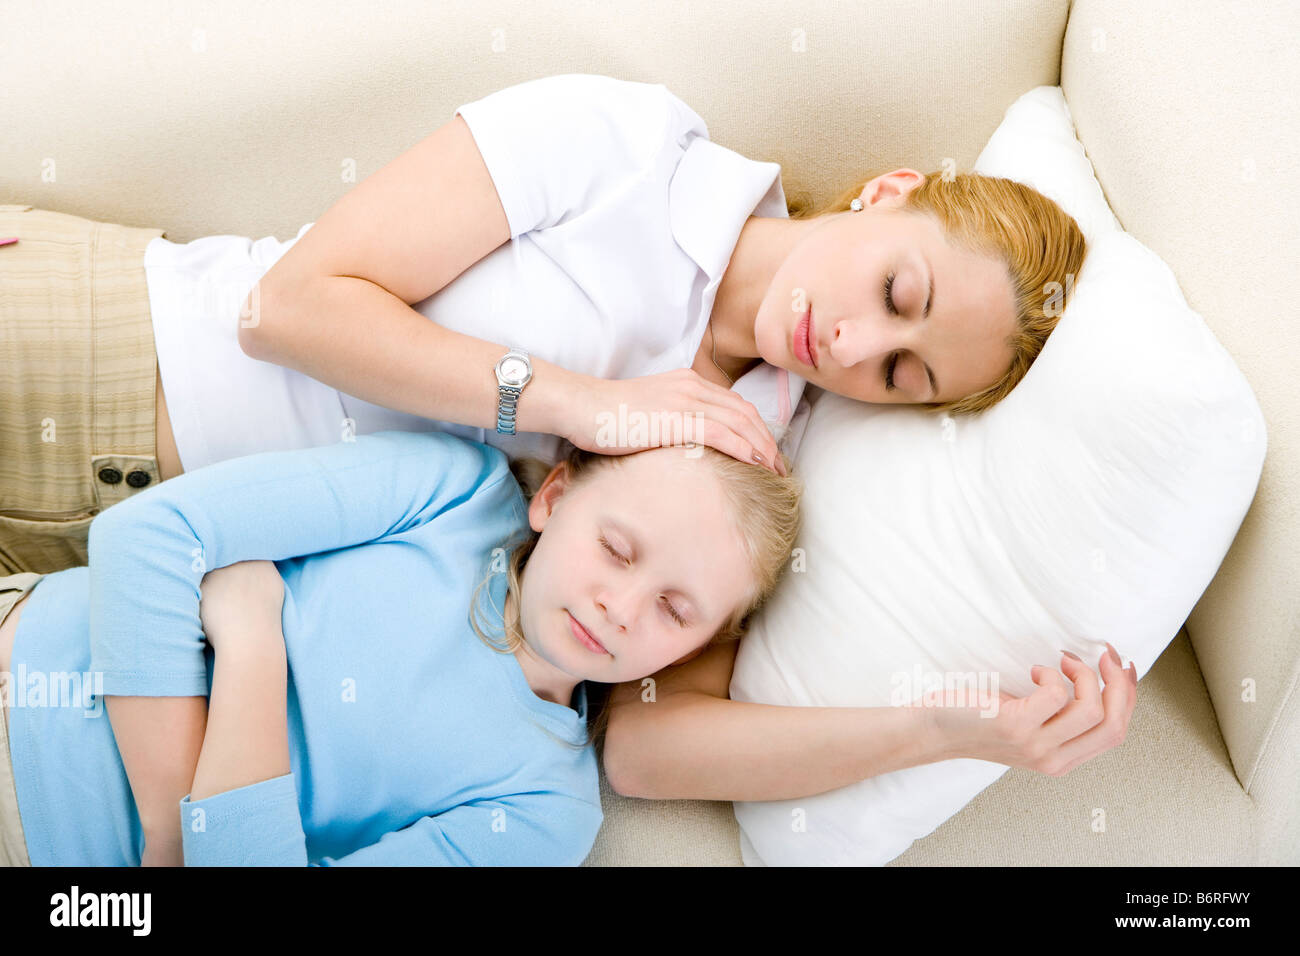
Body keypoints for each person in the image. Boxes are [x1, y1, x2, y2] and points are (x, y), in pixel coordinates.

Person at [1, 71, 1121, 825]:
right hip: (97, 354)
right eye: (895, 289)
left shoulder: (746, 451)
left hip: (165, 587)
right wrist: (582, 406)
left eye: (899, 371)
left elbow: (642, 747)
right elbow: (287, 308)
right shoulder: (631, 151)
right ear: (890, 193)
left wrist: (947, 726)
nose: (855, 340)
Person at [0, 429, 802, 866]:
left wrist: (252, 651)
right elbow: (144, 536)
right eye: (617, 550)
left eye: (674, 608)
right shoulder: (454, 492)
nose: (620, 609)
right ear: (554, 498)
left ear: (697, 645)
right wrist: (173, 838)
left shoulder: (545, 812)